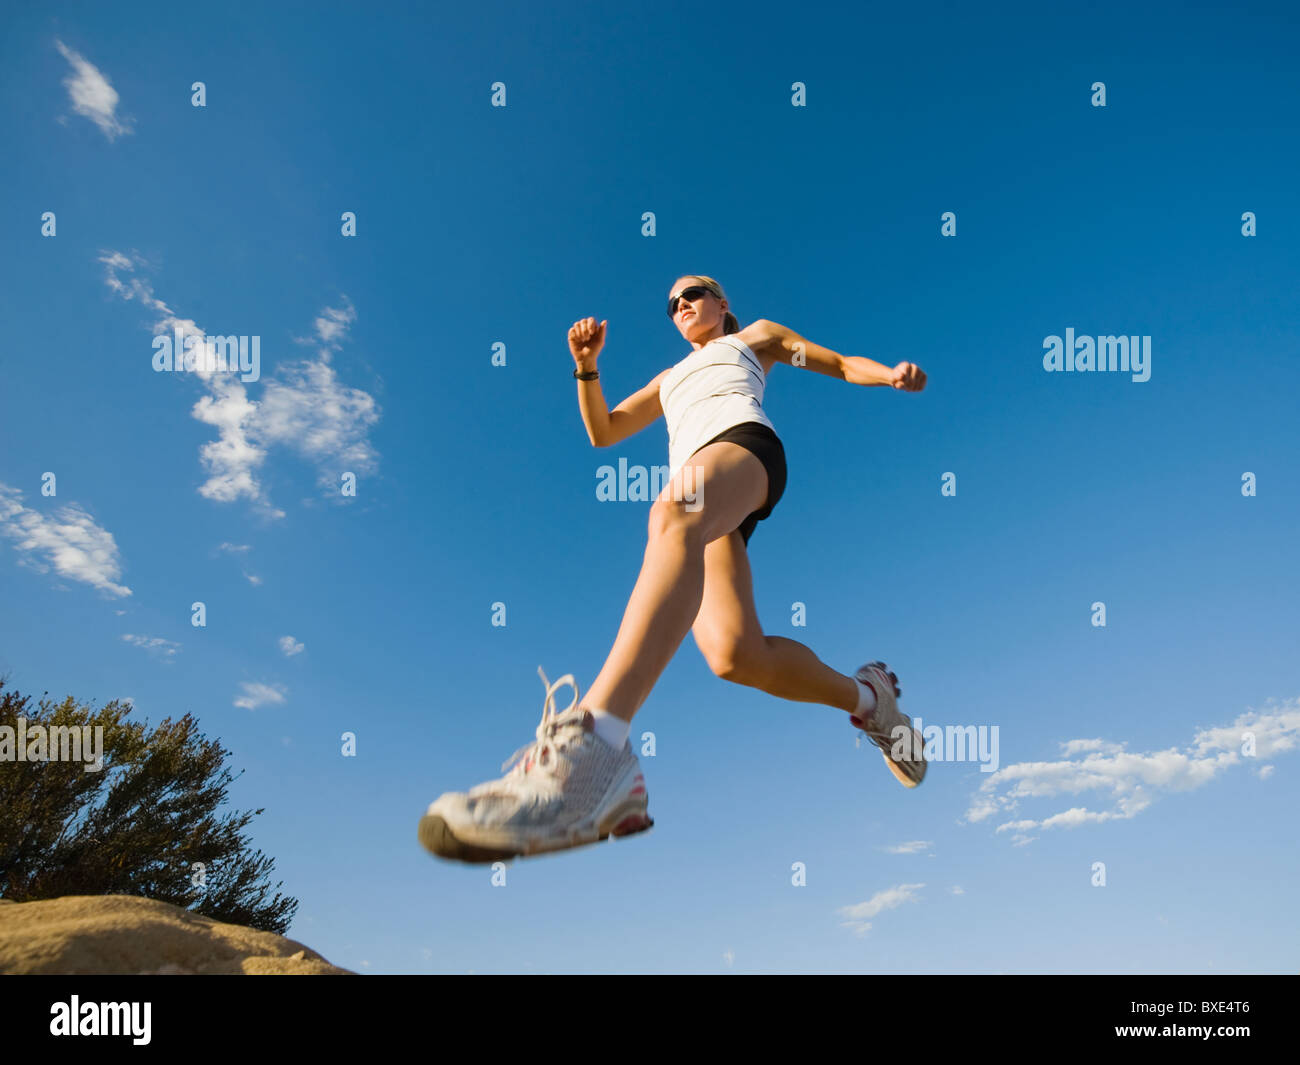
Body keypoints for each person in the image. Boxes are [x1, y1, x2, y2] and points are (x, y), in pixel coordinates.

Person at [419, 276, 928, 863]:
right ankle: (871, 702)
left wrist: (887, 372)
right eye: (672, 304)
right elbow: (603, 431)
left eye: (694, 293)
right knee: (735, 655)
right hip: (706, 498)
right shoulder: (667, 380)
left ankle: (597, 744)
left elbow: (838, 364)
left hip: (745, 449)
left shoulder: (755, 338)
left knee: (671, 513)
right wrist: (587, 367)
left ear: (722, 304)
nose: (682, 305)